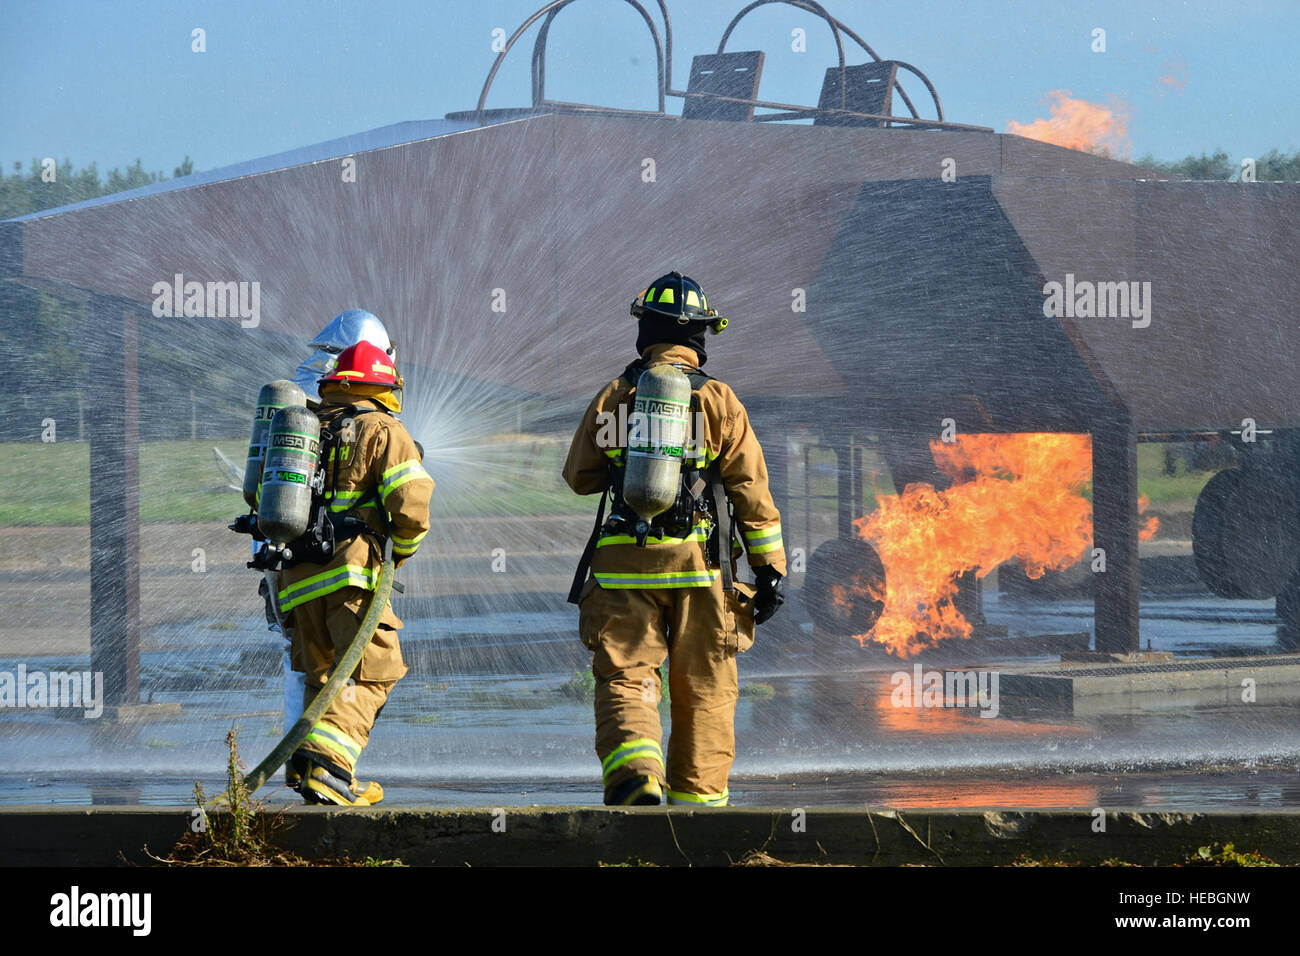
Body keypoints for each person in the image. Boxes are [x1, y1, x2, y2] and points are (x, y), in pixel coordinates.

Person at [563, 271, 786, 807]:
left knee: (627, 674)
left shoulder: (615, 395)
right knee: (706, 687)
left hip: (621, 566)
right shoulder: (720, 400)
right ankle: (698, 812)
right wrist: (770, 568)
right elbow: (750, 490)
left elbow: (580, 478)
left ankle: (636, 773)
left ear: (645, 331)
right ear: (700, 337)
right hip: (702, 567)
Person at [278, 340, 433, 806]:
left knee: (322, 676)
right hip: (351, 574)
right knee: (373, 673)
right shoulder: (383, 428)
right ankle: (329, 765)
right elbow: (412, 508)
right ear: (385, 387)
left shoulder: (305, 428)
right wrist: (399, 554)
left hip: (296, 581)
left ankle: (311, 773)